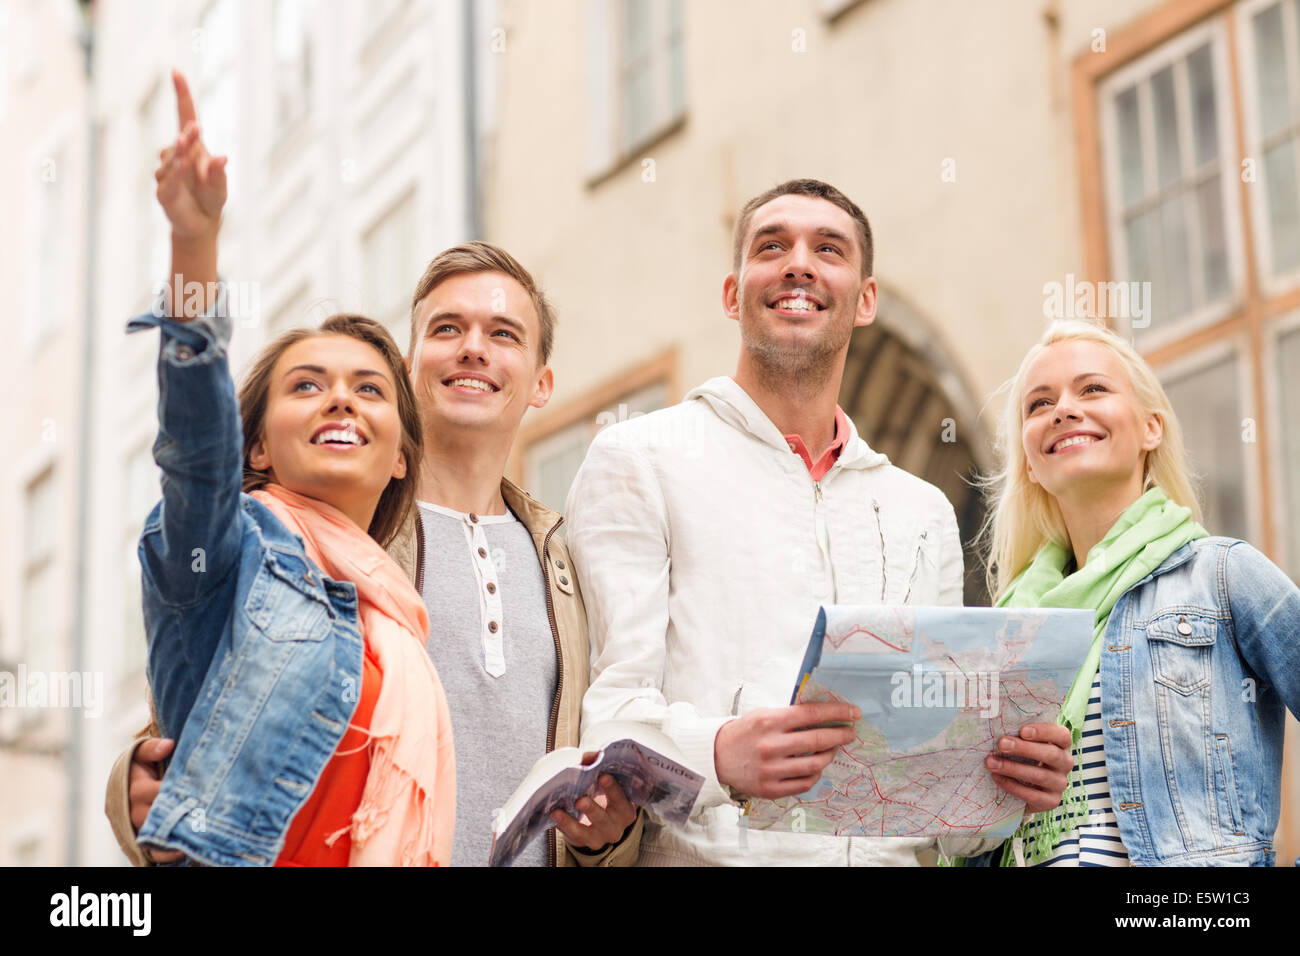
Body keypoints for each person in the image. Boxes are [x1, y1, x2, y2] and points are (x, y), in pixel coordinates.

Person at [107, 76, 640, 868]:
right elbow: (208, 686)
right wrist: (133, 789)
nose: (472, 349)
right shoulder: (294, 539)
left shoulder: (570, 558)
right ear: (414, 367)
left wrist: (613, 839)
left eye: (503, 334)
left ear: (542, 382)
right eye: (446, 328)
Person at [563, 178, 1075, 866]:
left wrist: (1009, 787)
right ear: (732, 293)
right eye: (771, 246)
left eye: (828, 249)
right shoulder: (639, 459)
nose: (798, 263)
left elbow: (947, 816)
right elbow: (611, 717)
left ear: (865, 300)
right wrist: (717, 756)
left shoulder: (921, 508)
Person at [124, 71, 454, 866]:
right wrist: (194, 243)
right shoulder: (227, 550)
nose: (340, 401)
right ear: (259, 447)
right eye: (307, 386)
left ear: (401, 453)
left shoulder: (399, 617)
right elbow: (195, 448)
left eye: (369, 389)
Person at [972, 318, 1300, 866]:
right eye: (1039, 404)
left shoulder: (1223, 576)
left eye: (1093, 388)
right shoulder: (1003, 630)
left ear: (1152, 428)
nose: (1064, 410)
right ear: (1030, 460)